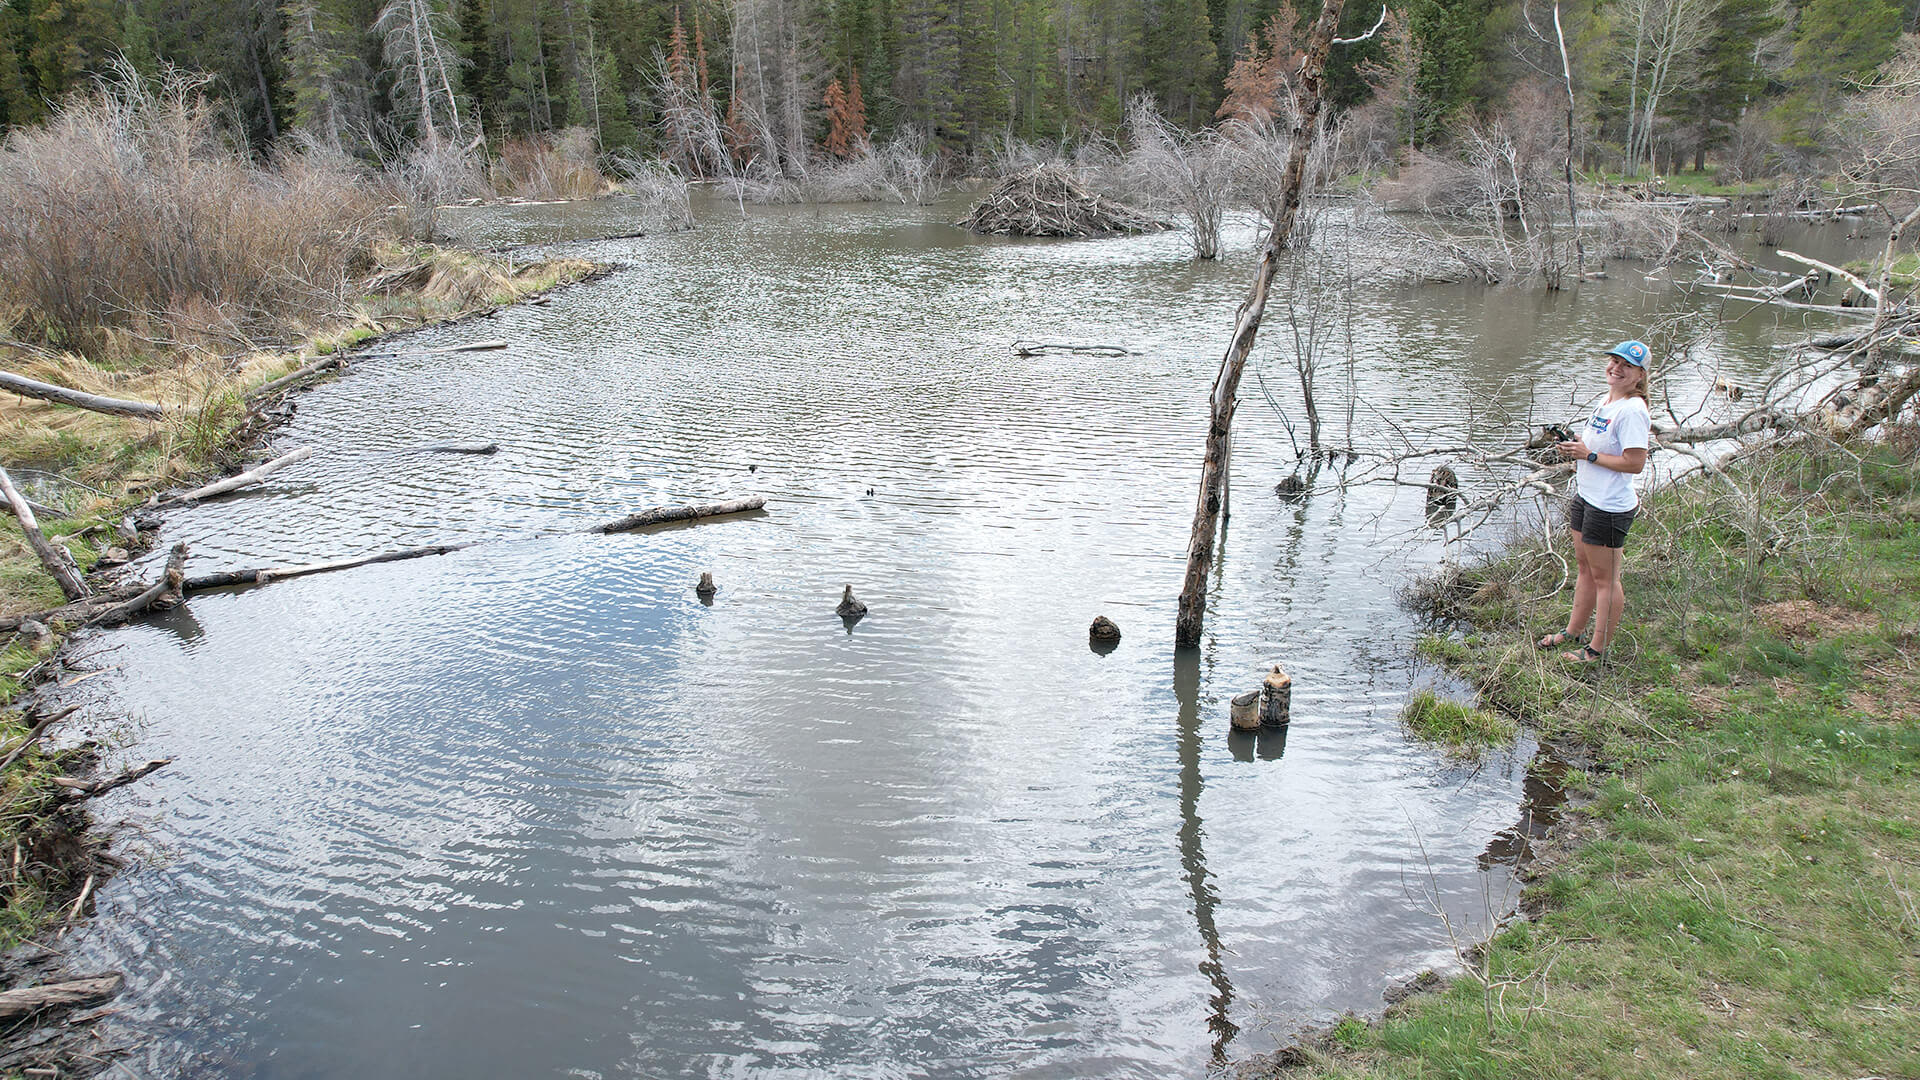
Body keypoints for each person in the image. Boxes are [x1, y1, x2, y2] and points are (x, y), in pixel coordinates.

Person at [1536, 340, 1652, 664]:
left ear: (1639, 375)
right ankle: (1572, 632)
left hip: (1610, 506)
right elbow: (1599, 448)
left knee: (1607, 579)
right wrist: (1576, 447)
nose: (1616, 368)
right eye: (1614, 361)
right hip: (1587, 496)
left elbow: (1634, 463)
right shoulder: (1607, 401)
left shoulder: (1632, 411)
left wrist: (1589, 454)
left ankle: (1596, 650)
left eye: (1626, 366)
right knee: (1585, 568)